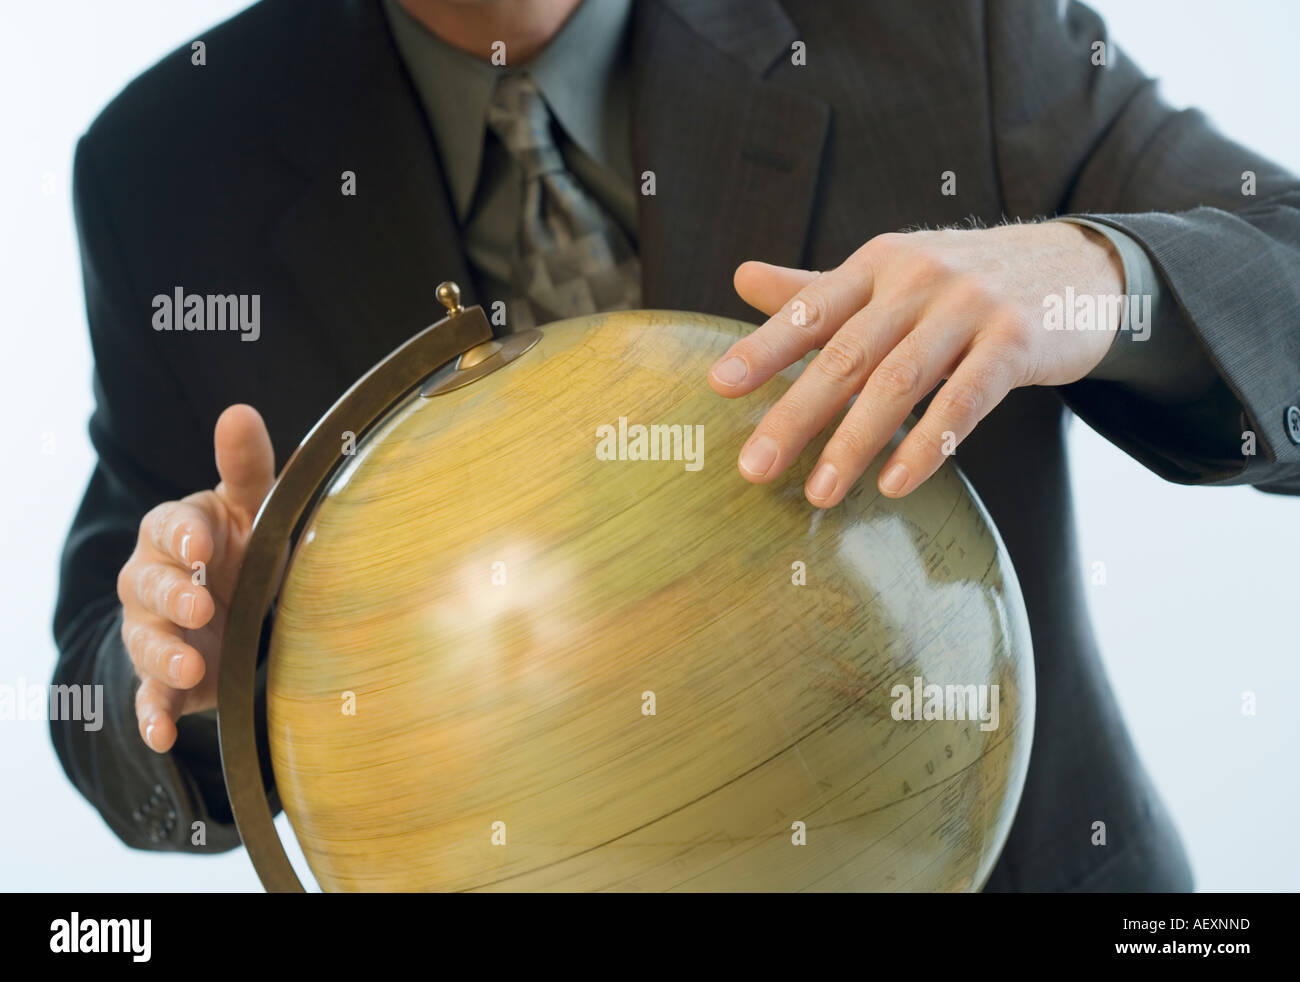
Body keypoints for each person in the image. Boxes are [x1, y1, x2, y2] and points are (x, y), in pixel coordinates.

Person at [52, 0, 1300, 890]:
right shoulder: (167, 162)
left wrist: (1101, 276)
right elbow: (94, 684)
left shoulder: (944, 26)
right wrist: (192, 669)